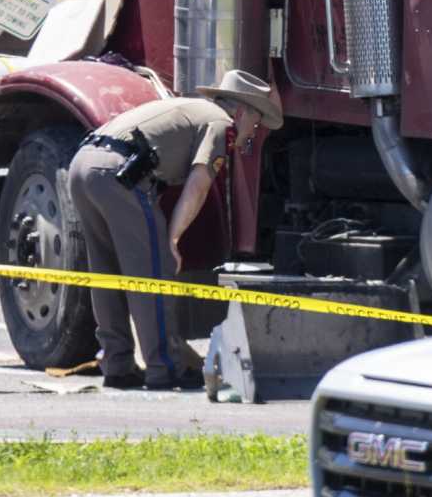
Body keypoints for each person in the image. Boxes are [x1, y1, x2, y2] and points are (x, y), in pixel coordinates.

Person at [66, 71, 282, 391]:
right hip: (120, 175)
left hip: (83, 165)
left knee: (106, 275)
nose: (252, 133)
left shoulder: (190, 109)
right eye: (257, 122)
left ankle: (118, 365)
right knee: (154, 273)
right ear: (242, 110)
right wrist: (174, 239)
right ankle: (165, 368)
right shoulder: (221, 123)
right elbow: (197, 186)